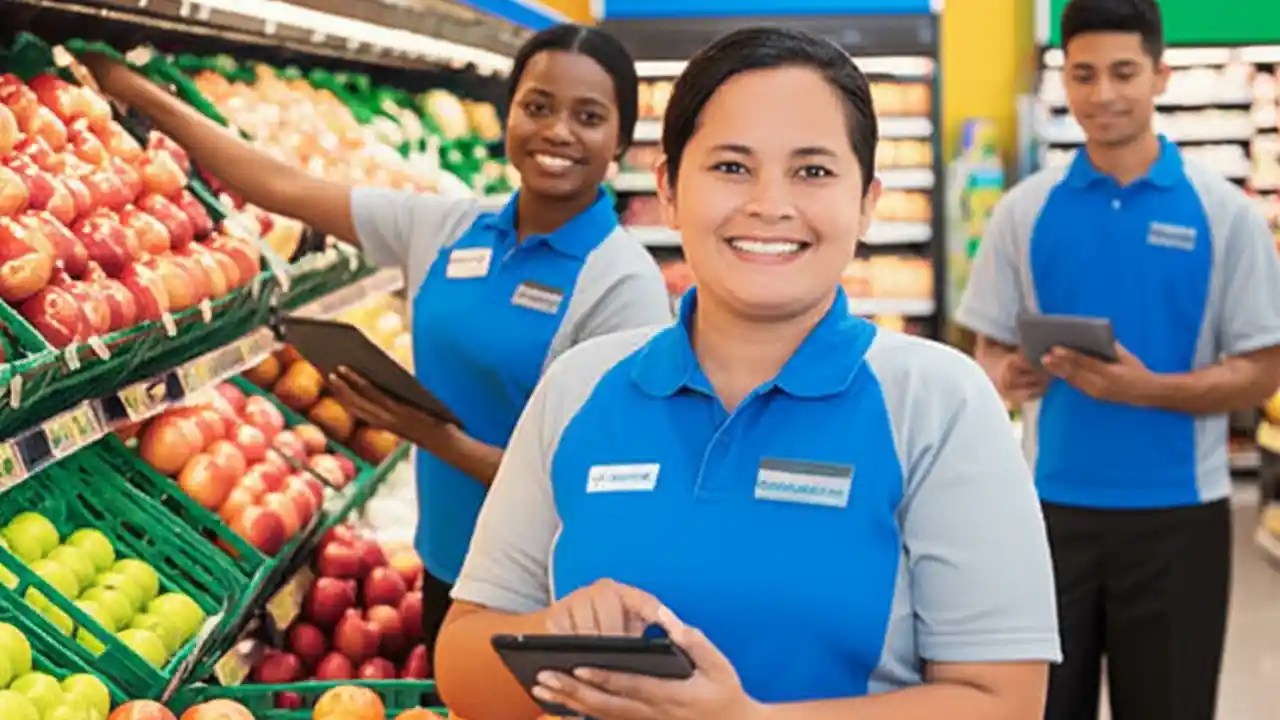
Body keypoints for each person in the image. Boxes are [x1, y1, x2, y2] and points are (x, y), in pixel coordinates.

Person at [434, 26, 1061, 720]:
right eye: (731, 167)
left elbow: (1004, 701)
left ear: (867, 201)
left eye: (813, 171)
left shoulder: (939, 403)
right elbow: (461, 660)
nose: (770, 203)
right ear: (669, 187)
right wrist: (556, 640)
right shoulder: (580, 387)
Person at [80, 24, 672, 653]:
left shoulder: (622, 283)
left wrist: (431, 437)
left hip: (544, 591)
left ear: (617, 141)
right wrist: (137, 93)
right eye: (537, 106)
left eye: (588, 116)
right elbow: (281, 186)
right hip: (449, 560)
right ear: (510, 117)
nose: (557, 130)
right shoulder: (456, 227)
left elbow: (596, 484)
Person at [956, 2, 1280, 718]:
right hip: (1044, 514)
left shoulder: (1224, 213)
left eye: (1124, 72)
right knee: (1044, 707)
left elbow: (1264, 367)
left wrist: (1147, 389)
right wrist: (1006, 377)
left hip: (1181, 519)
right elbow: (987, 351)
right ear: (1063, 81)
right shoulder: (1022, 211)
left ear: (1160, 75)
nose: (1103, 94)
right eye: (1085, 74)